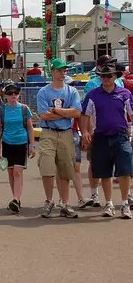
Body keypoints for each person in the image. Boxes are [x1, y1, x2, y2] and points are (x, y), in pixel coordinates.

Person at [80, 62, 133, 219]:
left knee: (125, 171)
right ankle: (109, 203)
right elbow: (84, 115)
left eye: (109, 75)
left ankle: (124, 204)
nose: (106, 79)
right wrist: (84, 131)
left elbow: (131, 113)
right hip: (101, 137)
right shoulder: (93, 95)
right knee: (105, 172)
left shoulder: (125, 94)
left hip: (121, 136)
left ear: (115, 76)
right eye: (103, 76)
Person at [36, 58, 81, 219]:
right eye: (60, 70)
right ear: (52, 72)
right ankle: (49, 201)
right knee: (47, 167)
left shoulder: (72, 92)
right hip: (48, 132)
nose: (63, 73)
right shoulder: (43, 92)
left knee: (65, 169)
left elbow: (77, 112)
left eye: (65, 70)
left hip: (66, 133)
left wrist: (55, 110)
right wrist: (65, 112)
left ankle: (65, 203)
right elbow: (43, 115)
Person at [0, 84, 35, 213]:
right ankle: (15, 199)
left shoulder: (24, 109)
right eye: (10, 94)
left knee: (18, 171)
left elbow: (30, 127)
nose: (13, 96)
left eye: (15, 93)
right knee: (11, 172)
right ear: (5, 96)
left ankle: (16, 199)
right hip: (7, 143)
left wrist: (32, 145)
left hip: (21, 143)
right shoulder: (1, 110)